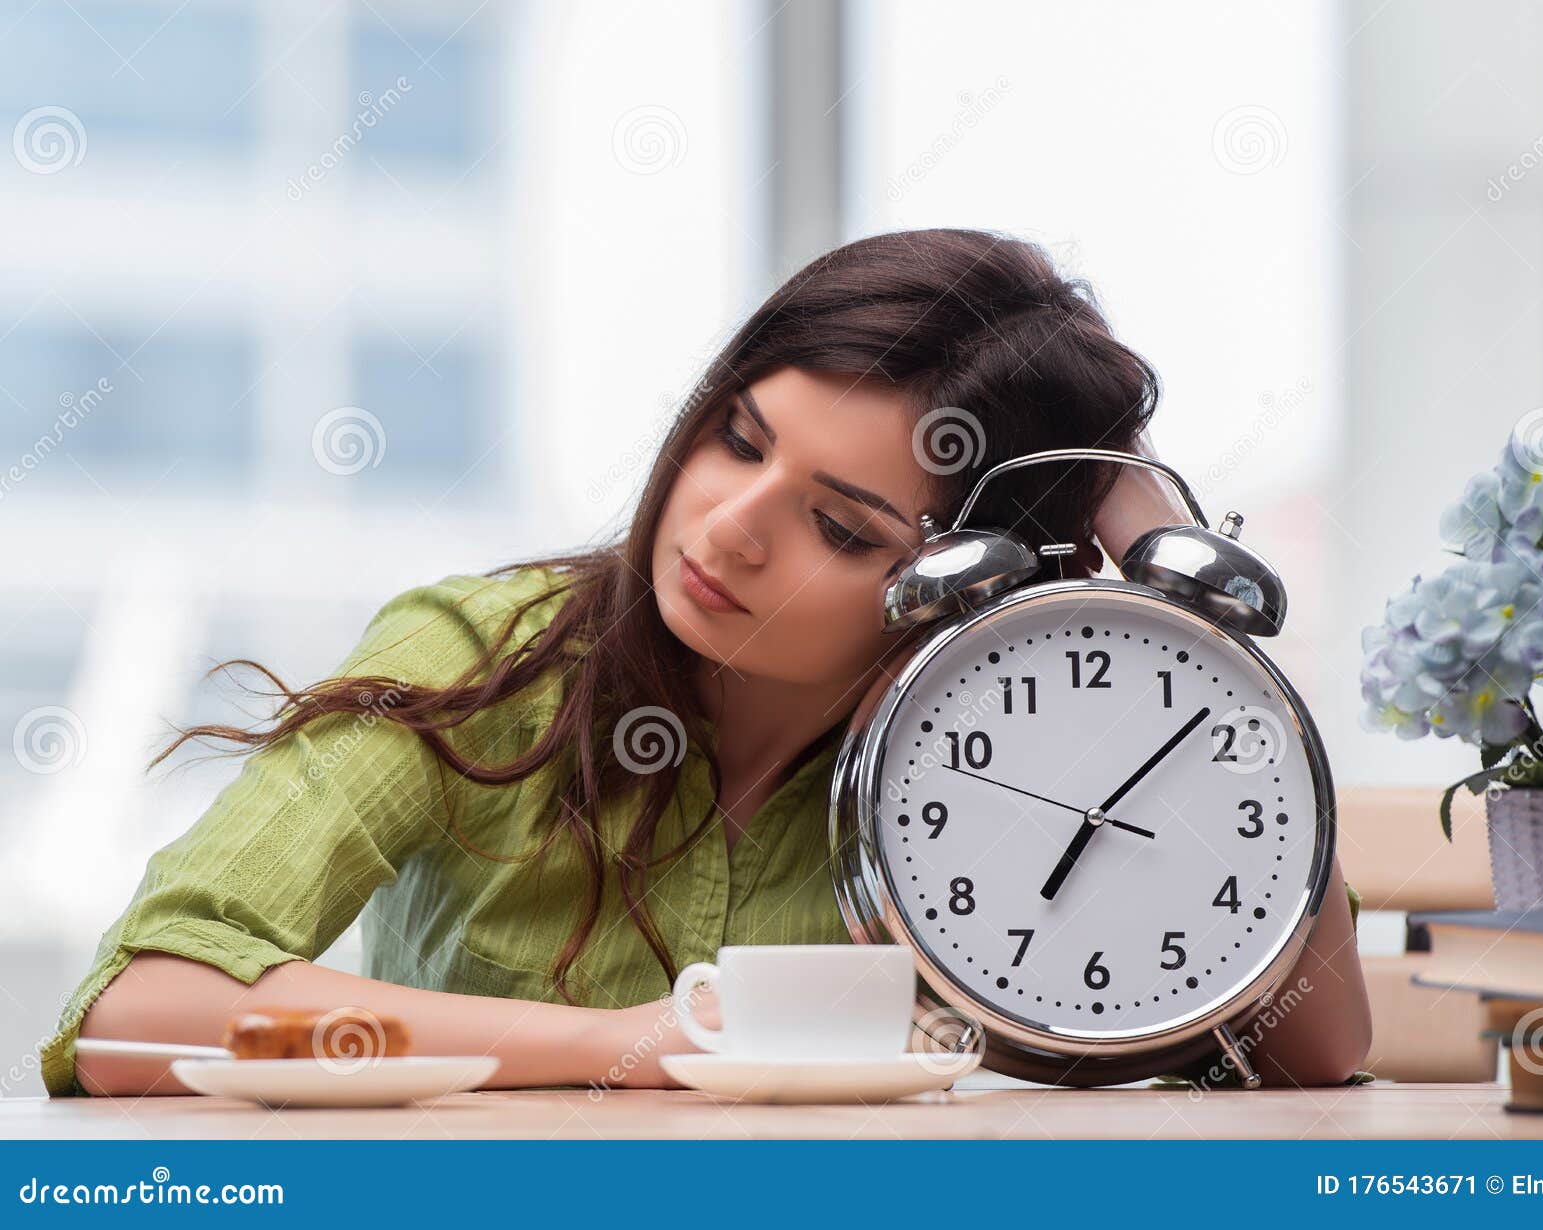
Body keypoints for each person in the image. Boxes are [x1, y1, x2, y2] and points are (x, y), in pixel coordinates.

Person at [41, 227, 1369, 1097]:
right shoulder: (484, 659)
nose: (727, 528)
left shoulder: (998, 761)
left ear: (943, 590)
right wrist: (633, 1046)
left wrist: (1177, 594)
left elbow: (1317, 1047)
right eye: (738, 439)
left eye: (839, 525)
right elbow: (142, 1006)